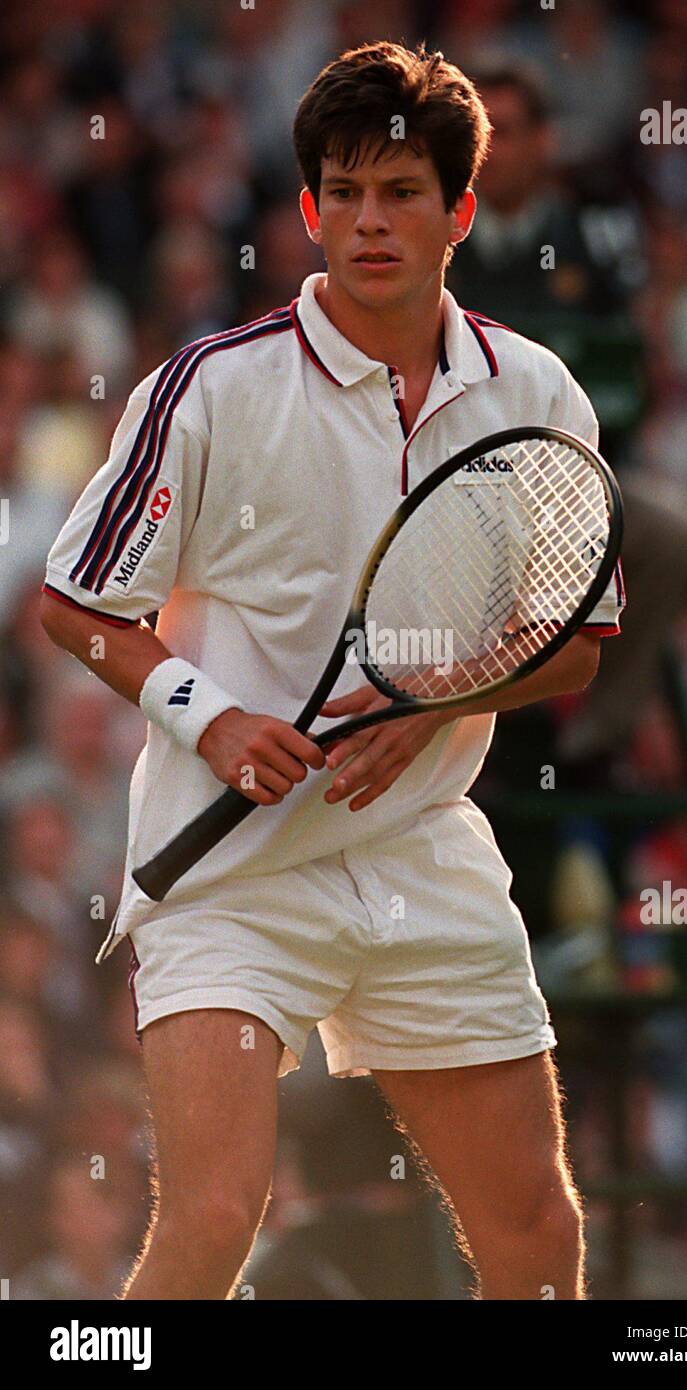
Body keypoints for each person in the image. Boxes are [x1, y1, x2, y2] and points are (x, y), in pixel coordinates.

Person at [39, 41, 624, 1301]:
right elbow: (76, 604)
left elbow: (573, 641)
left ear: (458, 211)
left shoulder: (536, 390)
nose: (369, 220)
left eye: (401, 192)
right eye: (345, 192)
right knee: (207, 1225)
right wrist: (210, 717)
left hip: (423, 854)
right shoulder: (209, 387)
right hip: (228, 872)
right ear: (307, 209)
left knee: (535, 1234)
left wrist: (439, 706)